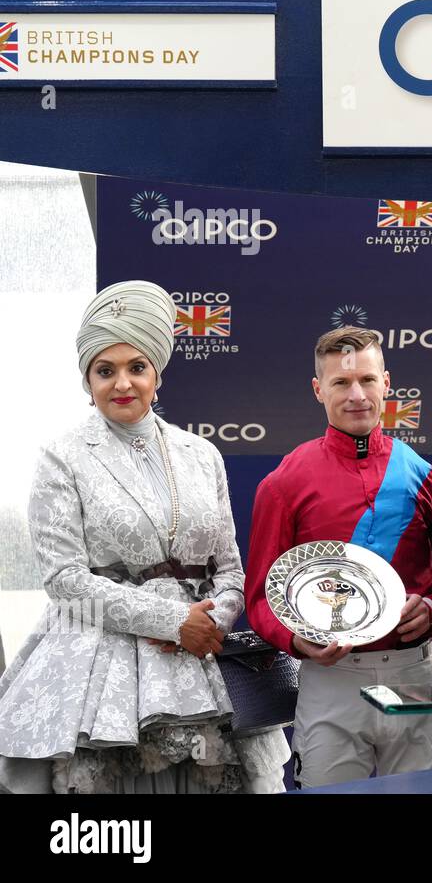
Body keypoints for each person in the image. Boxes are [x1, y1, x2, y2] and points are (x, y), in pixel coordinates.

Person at [0, 281, 290, 793]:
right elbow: (64, 579)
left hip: (203, 656)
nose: (122, 384)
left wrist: (212, 619)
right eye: (105, 371)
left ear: (157, 372)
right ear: (86, 380)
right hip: (99, 661)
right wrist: (174, 621)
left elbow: (229, 569)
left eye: (136, 367)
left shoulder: (202, 455)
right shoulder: (61, 455)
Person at [244, 327, 432, 789]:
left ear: (386, 384)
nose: (357, 395)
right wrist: (297, 642)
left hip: (416, 673)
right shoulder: (283, 483)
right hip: (330, 678)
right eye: (340, 383)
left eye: (367, 381)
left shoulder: (426, 478)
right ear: (318, 389)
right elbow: (260, 601)